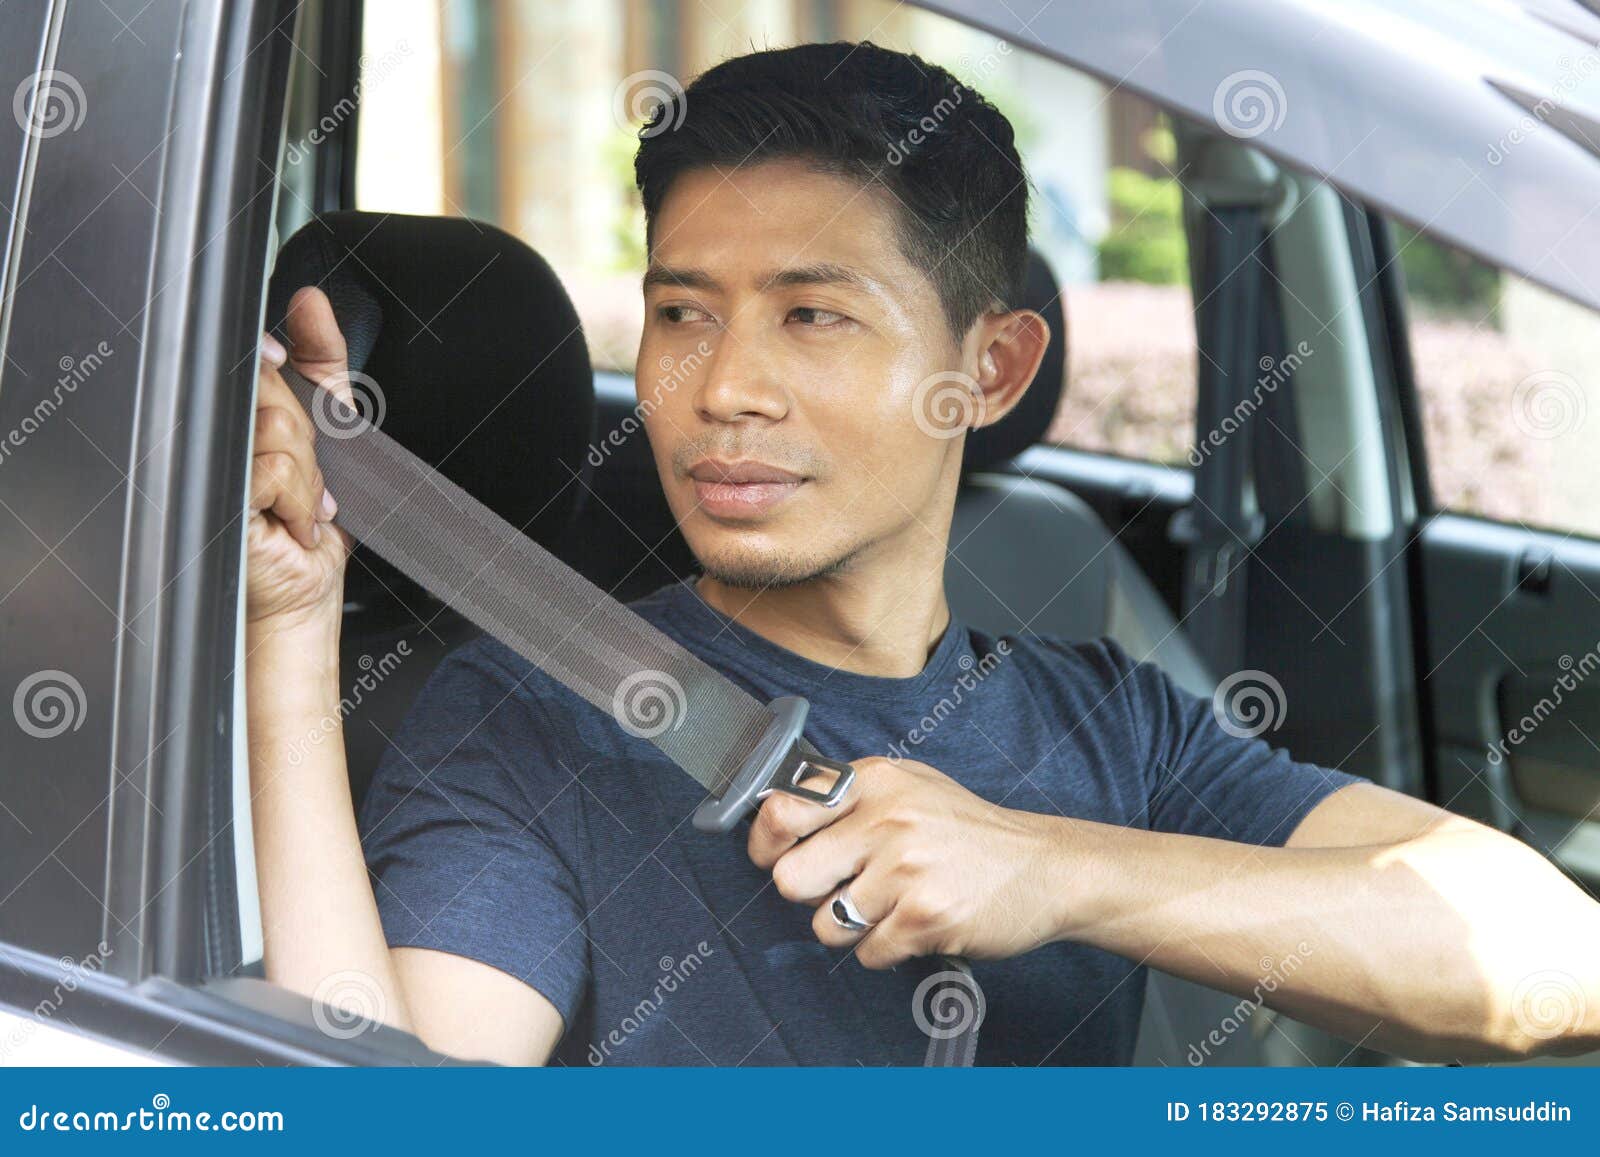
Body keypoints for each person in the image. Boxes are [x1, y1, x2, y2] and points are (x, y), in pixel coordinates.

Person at [245, 41, 1600, 1066]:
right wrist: (295, 641)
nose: (726, 389)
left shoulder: (1112, 725)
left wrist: (1048, 870)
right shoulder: (535, 715)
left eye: (814, 317)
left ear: (990, 368)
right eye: (681, 313)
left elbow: (1544, 956)